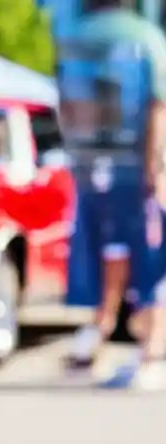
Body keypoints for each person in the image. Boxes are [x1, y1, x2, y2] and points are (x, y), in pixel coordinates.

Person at [62, 0, 166, 385]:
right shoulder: (148, 38)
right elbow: (157, 105)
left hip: (94, 166)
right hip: (137, 167)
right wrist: (153, 164)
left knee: (111, 250)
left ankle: (97, 336)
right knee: (150, 254)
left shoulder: (77, 38)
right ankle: (151, 351)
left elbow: (69, 108)